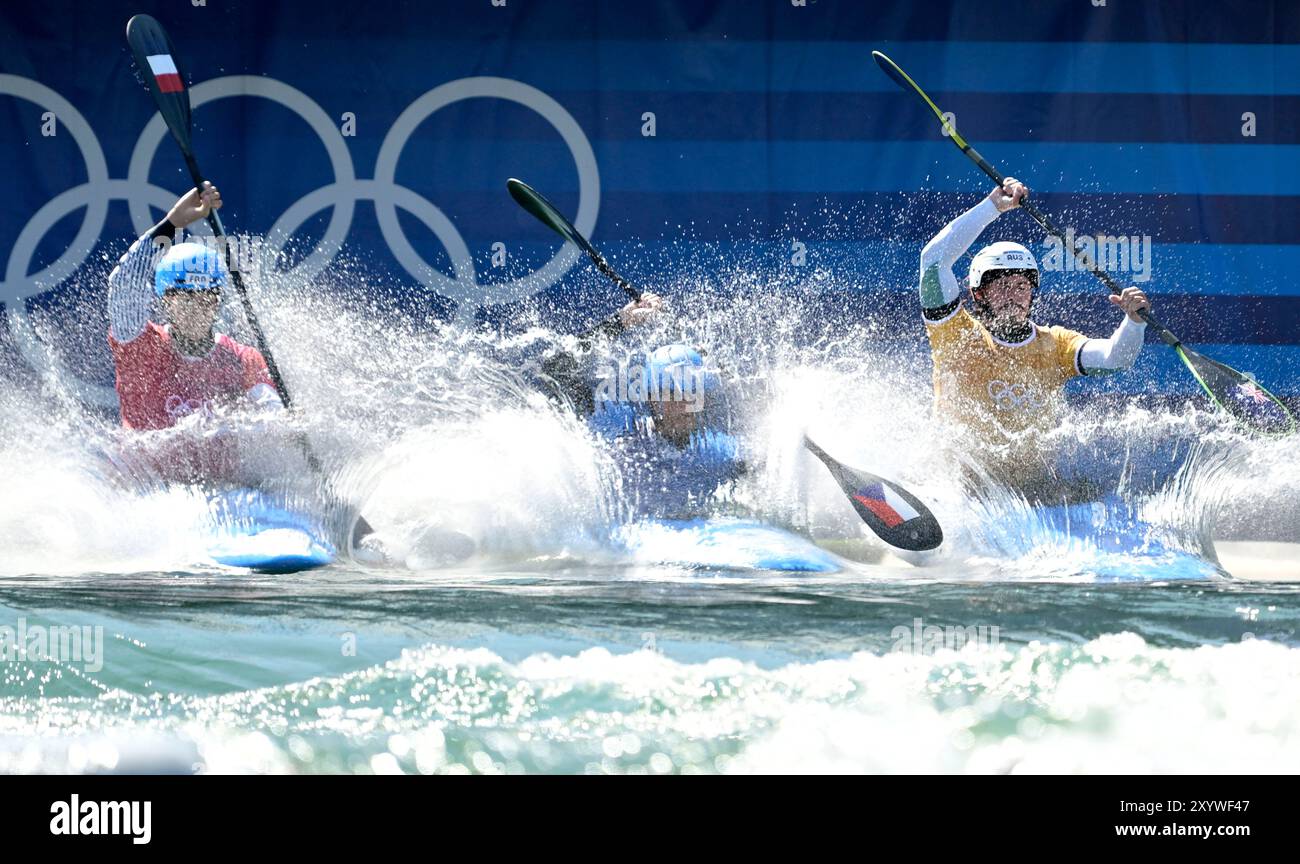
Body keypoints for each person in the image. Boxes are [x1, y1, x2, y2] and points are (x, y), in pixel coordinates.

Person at [918, 178, 1152, 492]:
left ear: (1032, 293)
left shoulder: (1056, 344)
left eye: (1021, 286)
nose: (1013, 294)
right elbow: (932, 262)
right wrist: (992, 207)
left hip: (1032, 493)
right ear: (979, 294)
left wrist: (1134, 322)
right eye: (1001, 285)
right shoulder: (955, 334)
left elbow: (1115, 359)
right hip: (960, 491)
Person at [106, 182, 283, 484]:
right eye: (186, 298)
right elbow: (123, 283)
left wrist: (288, 426)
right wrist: (172, 223)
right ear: (165, 300)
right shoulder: (139, 346)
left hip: (223, 500)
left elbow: (272, 416)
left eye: (206, 298)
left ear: (217, 301)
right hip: (148, 497)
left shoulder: (242, 359)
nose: (196, 308)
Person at [539, 297, 747, 520]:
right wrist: (621, 322)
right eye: (673, 396)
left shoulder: (722, 452)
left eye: (692, 396)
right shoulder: (623, 451)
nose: (684, 406)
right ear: (652, 399)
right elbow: (555, 369)